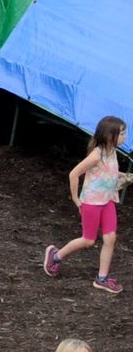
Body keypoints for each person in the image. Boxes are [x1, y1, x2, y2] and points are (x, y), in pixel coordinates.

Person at [45, 117, 132, 295]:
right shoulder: (96, 155)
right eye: (122, 133)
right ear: (110, 136)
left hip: (107, 202)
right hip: (92, 204)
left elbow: (108, 173)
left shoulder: (113, 151)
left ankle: (101, 279)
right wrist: (77, 199)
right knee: (88, 241)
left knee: (110, 239)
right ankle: (55, 257)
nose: (125, 137)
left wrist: (123, 177)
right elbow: (74, 174)